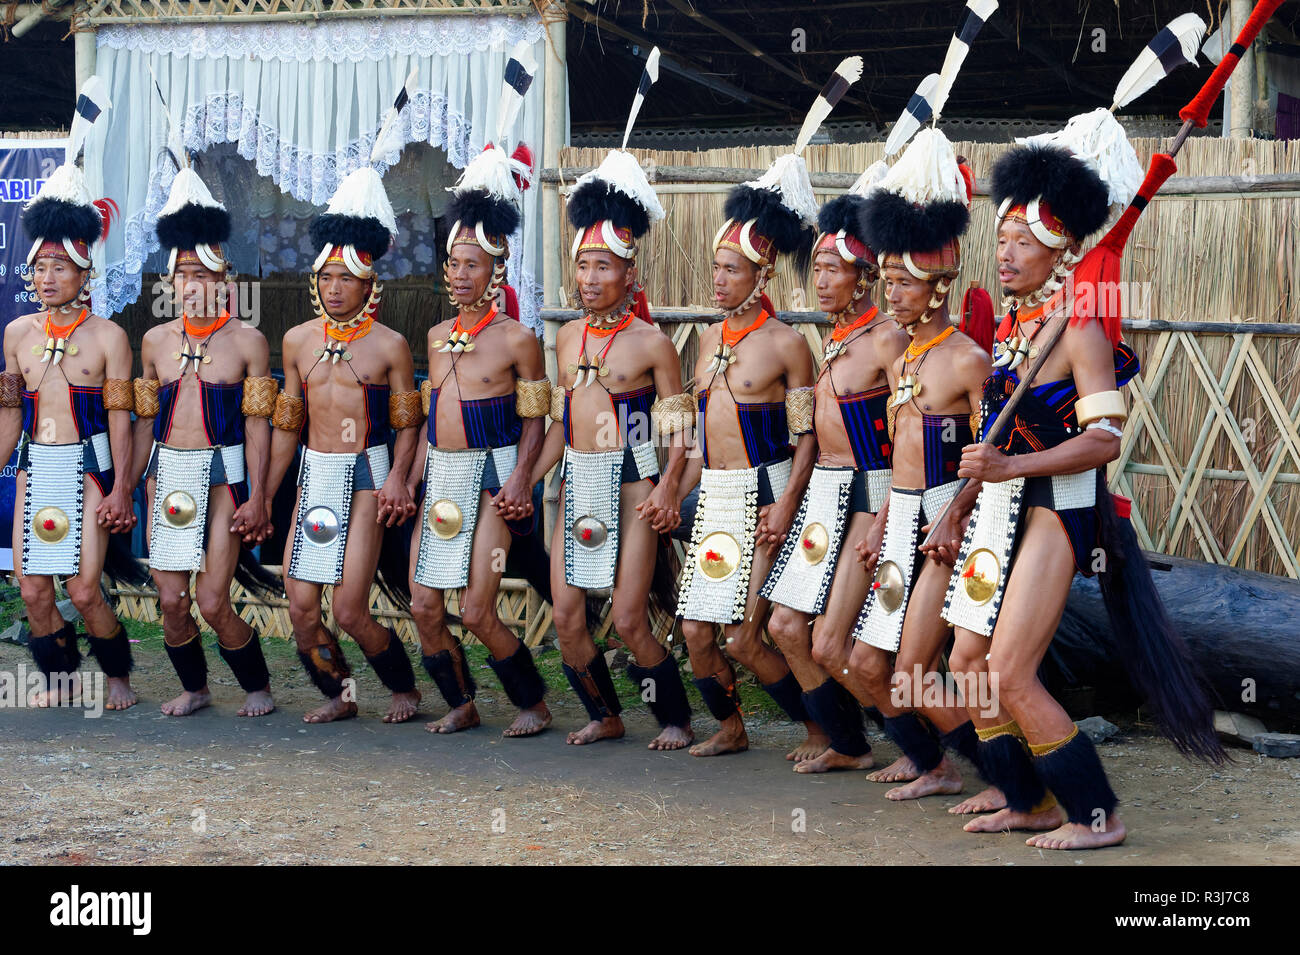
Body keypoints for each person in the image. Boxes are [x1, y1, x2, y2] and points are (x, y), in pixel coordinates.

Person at [942, 108, 1222, 848]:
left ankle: (1097, 813)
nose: (1003, 255)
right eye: (999, 241)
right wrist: (968, 499)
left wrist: (1012, 466)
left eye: (1021, 243)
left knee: (1007, 669)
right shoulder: (1013, 330)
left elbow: (1104, 439)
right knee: (967, 660)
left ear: (1059, 249)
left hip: (1058, 510)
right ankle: (1026, 796)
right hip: (1003, 503)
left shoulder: (1083, 326)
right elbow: (991, 444)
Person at [531, 138, 694, 749]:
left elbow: (678, 426)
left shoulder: (651, 343)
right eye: (584, 265)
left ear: (630, 274)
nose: (591, 277)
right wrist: (525, 479)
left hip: (633, 484)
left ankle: (674, 717)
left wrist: (667, 488)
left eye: (605, 266)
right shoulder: (567, 338)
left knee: (627, 617)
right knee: (568, 615)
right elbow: (558, 419)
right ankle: (603, 713)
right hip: (578, 481)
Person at [846, 133, 996, 799]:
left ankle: (1007, 778)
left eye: (903, 282)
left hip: (944, 522)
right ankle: (937, 766)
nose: (892, 293)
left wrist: (959, 517)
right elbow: (898, 450)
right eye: (887, 281)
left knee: (914, 667)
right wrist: (882, 521)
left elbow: (996, 450)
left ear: (937, 286)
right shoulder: (900, 355)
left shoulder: (967, 358)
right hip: (901, 516)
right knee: (864, 661)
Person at [761, 162, 909, 771]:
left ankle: (924, 753)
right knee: (787, 628)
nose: (819, 281)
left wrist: (884, 515)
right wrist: (793, 497)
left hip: (870, 497)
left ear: (864, 276)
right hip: (824, 492)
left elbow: (909, 438)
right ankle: (846, 742)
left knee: (835, 640)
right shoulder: (837, 338)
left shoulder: (885, 340)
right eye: (816, 268)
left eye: (832, 269)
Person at [264, 159, 422, 724]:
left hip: (366, 476)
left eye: (347, 279)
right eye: (327, 277)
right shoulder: (297, 342)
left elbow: (408, 422)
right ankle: (340, 694)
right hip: (315, 473)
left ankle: (404, 689)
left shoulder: (390, 346)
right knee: (302, 607)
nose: (335, 288)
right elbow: (287, 424)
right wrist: (263, 494)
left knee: (351, 607)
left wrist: (400, 478)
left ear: (368, 283)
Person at [409, 134, 552, 737]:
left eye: (474, 264)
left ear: (496, 269)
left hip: (495, 478)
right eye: (454, 263)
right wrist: (405, 478)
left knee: (475, 605)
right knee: (423, 604)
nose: (461, 274)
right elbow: (428, 416)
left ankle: (532, 702)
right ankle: (461, 700)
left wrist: (521, 478)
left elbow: (536, 419)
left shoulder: (519, 339)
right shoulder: (437, 334)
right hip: (442, 475)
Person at [0, 83, 136, 710]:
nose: (47, 277)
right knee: (32, 591)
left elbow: (122, 421)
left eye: (60, 267)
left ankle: (117, 676)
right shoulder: (15, 335)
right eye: (40, 267)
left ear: (84, 271)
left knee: (83, 591)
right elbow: (10, 412)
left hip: (89, 466)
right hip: (35, 463)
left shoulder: (109, 338)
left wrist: (120, 488)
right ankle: (60, 677)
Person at [128, 161, 276, 718]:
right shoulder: (154, 342)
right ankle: (195, 688)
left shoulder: (249, 343)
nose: (192, 286)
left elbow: (258, 424)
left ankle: (258, 685)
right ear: (170, 281)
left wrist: (258, 496)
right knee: (171, 599)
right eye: (182, 275)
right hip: (167, 475)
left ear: (224, 279)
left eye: (203, 275)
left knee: (212, 601)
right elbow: (144, 422)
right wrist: (129, 484)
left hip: (224, 479)